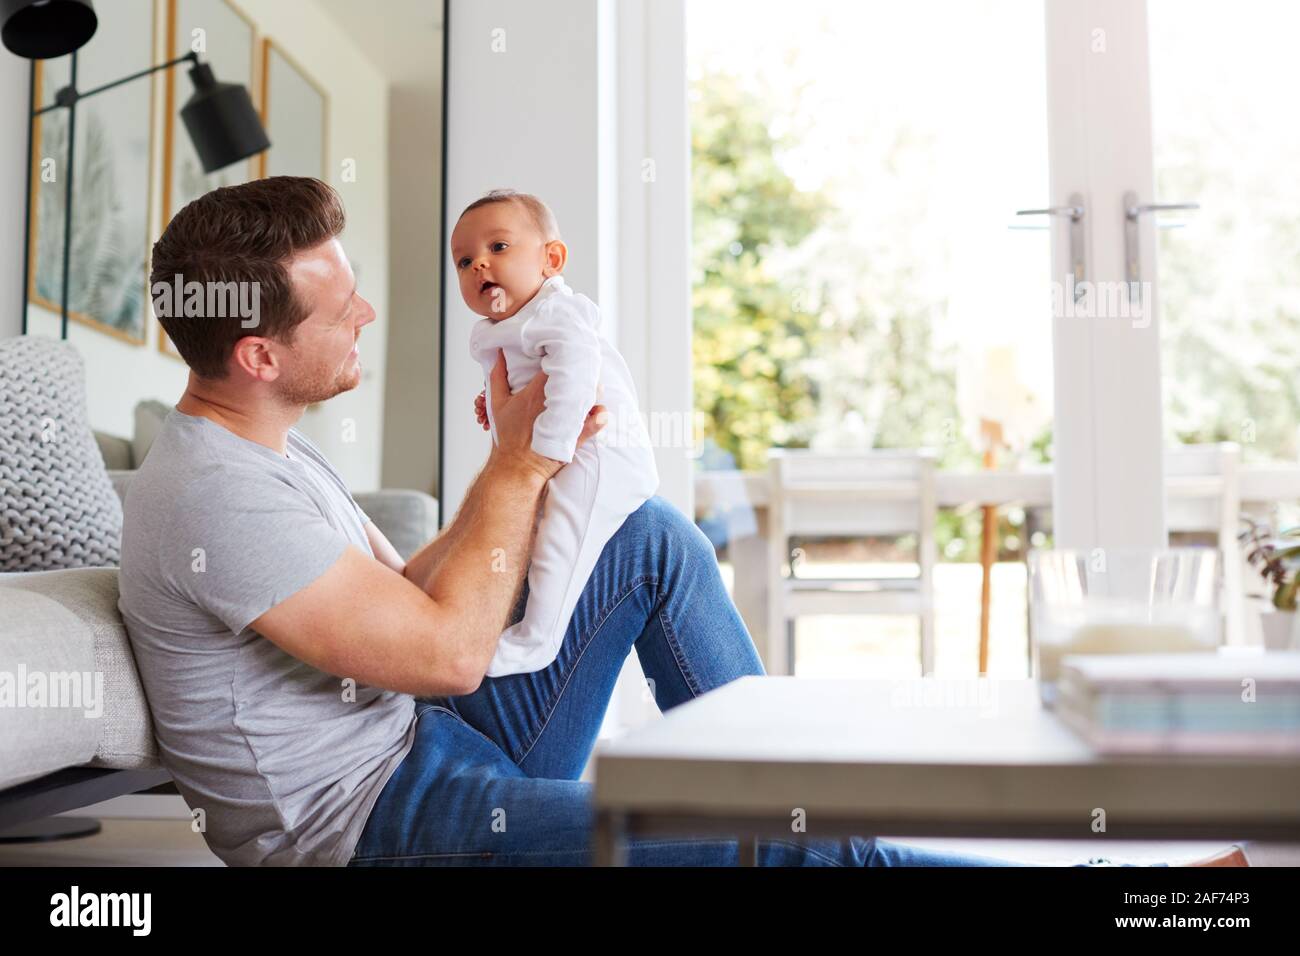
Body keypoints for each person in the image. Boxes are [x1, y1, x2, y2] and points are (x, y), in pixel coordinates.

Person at [118, 175, 1247, 868]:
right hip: (372, 825)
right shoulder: (216, 492)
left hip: (422, 741)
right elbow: (453, 653)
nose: (368, 308)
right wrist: (526, 456)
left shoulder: (264, 445)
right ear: (258, 353)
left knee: (651, 534)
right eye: (339, 302)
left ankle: (759, 770)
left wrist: (515, 464)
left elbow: (408, 599)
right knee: (796, 847)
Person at [457, 188, 659, 677]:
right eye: (464, 261)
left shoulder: (557, 313)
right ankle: (510, 617)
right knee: (530, 534)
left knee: (560, 542)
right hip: (555, 453)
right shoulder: (507, 322)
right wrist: (492, 403)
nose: (479, 265)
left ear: (551, 259)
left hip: (595, 455)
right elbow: (522, 380)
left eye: (498, 248)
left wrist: (546, 450)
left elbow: (575, 377)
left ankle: (537, 641)